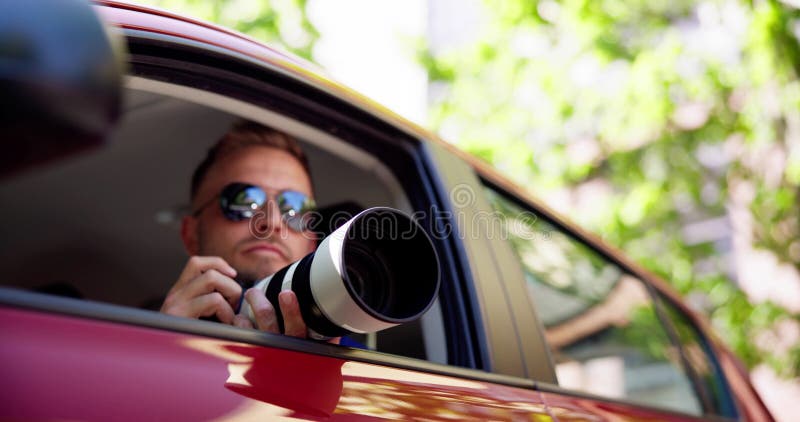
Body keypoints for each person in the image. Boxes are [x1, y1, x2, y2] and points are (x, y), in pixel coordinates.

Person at [160, 120, 331, 341]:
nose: (272, 221)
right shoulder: (146, 343)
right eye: (244, 199)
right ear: (191, 235)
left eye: (296, 207)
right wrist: (161, 345)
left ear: (312, 244)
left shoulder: (355, 362)